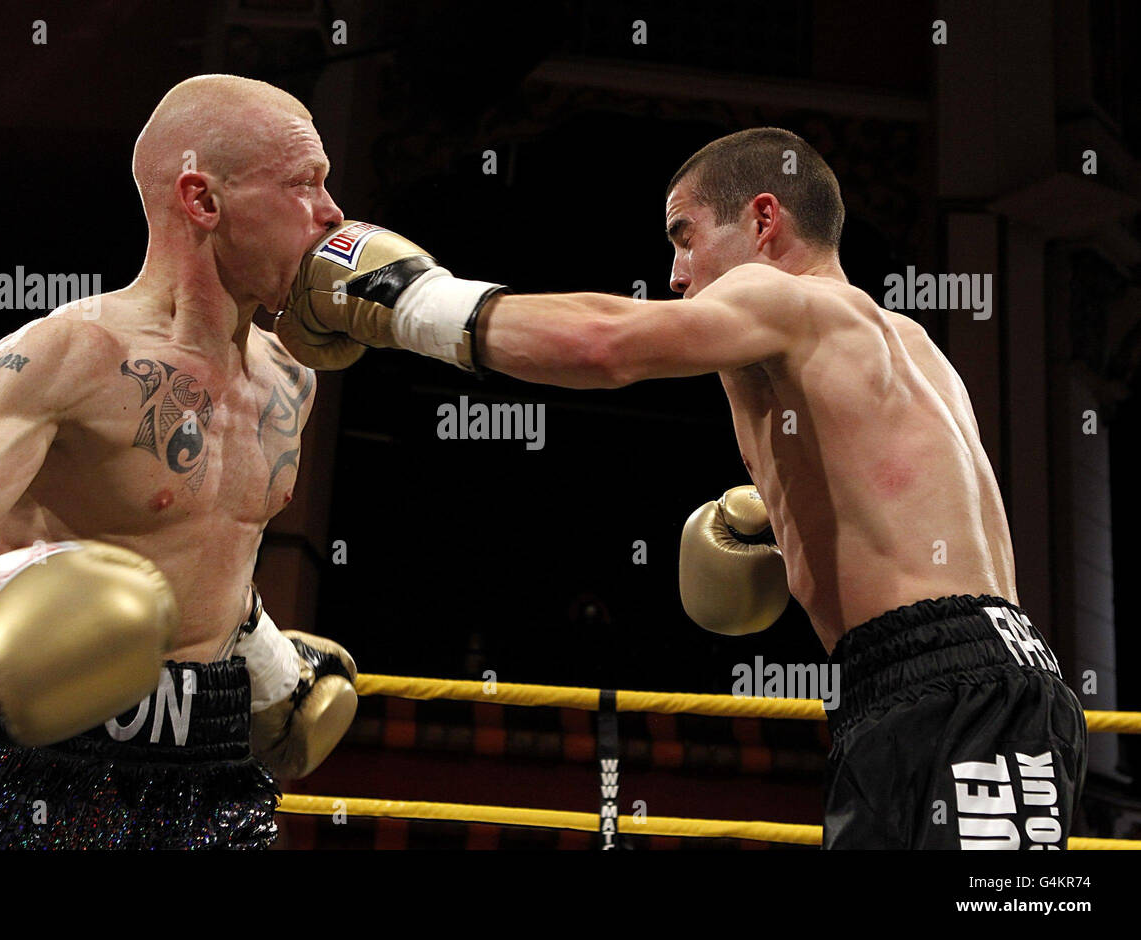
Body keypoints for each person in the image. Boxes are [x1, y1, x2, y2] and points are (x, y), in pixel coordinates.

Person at [276, 127, 1087, 850]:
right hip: (932, 680)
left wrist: (410, 303)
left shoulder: (782, 296)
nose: (673, 274)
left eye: (685, 237)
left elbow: (606, 345)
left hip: (960, 685)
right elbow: (903, 495)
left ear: (764, 220)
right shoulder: (907, 344)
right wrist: (770, 516)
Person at [0, 75, 356, 850]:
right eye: (304, 184)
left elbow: (203, 543)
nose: (332, 213)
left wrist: (268, 662)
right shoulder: (69, 351)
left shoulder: (292, 380)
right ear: (203, 201)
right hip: (19, 762)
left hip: (203, 775)